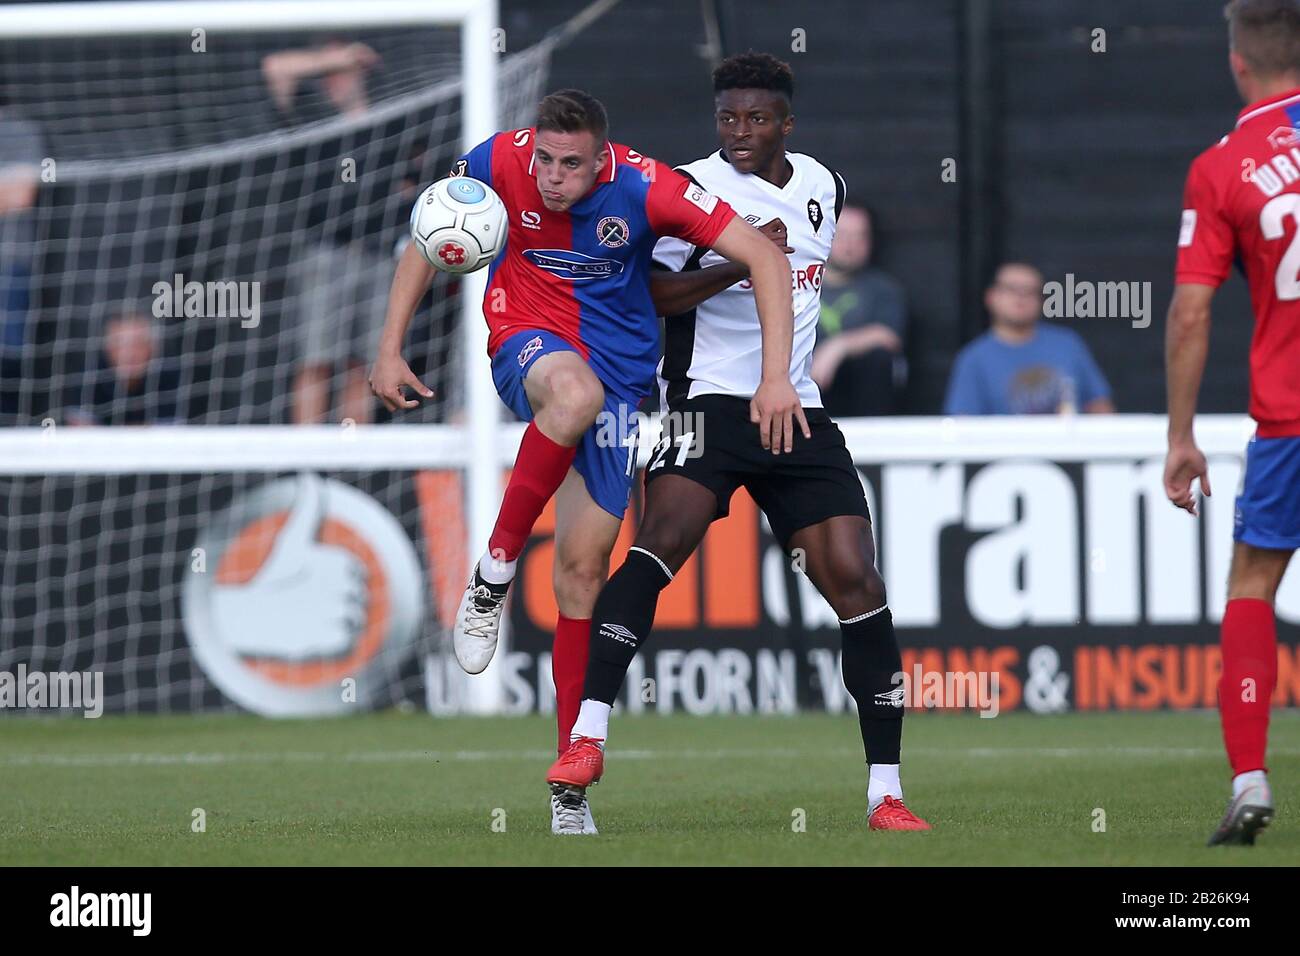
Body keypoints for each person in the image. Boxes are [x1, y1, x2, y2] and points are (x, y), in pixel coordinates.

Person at [369, 89, 799, 834]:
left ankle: (570, 783)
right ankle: (494, 573)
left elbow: (763, 254)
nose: (551, 177)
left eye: (570, 165)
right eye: (544, 159)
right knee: (572, 396)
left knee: (581, 574)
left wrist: (776, 378)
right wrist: (387, 347)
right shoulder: (498, 160)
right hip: (527, 339)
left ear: (602, 160)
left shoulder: (650, 186)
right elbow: (429, 233)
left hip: (623, 382)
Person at [546, 53, 931, 832]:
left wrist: (781, 360)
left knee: (858, 581)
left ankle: (886, 794)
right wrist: (738, 259)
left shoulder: (825, 186)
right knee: (659, 543)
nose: (740, 132)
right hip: (706, 406)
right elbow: (649, 294)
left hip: (795, 411)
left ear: (787, 122)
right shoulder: (686, 188)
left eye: (757, 119)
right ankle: (586, 741)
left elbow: (801, 286)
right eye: (728, 118)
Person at [1164, 0, 1300, 847]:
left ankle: (1249, 777)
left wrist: (1180, 436)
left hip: (1288, 422)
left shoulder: (1223, 166)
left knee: (1252, 587)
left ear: (1237, 62)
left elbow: (1190, 312)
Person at [944, 262, 1115, 415]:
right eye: (1011, 289)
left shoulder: (1068, 344)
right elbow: (963, 424)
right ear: (991, 297)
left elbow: (1099, 406)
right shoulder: (973, 359)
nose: (1021, 297)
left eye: (1030, 291)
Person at [810, 204, 908, 415]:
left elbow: (889, 336)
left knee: (877, 359)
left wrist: (839, 347)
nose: (851, 244)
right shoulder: (800, 284)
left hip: (861, 398)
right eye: (843, 235)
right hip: (803, 392)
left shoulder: (882, 288)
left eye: (860, 236)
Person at [65, 311, 183, 426]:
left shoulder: (169, 377)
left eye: (138, 343)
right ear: (107, 348)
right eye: (119, 344)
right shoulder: (89, 378)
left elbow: (169, 432)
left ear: (153, 347)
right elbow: (79, 428)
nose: (129, 354)